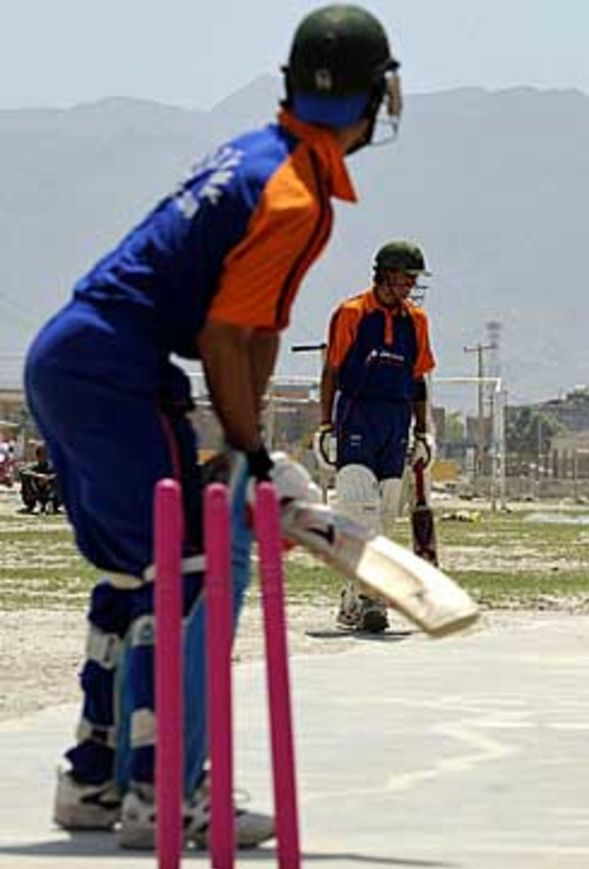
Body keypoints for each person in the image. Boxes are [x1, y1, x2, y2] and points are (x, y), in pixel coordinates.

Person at [23, 4, 402, 848]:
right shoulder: (294, 191)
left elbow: (253, 328)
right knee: (190, 568)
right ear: (372, 98)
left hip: (72, 357)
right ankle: (169, 793)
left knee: (134, 572)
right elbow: (227, 336)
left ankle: (92, 778)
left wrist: (246, 443)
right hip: (115, 367)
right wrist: (251, 452)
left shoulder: (261, 158)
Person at [318, 240, 436, 632]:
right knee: (359, 508)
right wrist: (325, 425)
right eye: (405, 277)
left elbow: (418, 379)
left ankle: (354, 598)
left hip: (397, 420)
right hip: (356, 416)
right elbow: (332, 370)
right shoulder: (351, 312)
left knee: (386, 513)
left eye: (414, 279)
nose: (410, 285)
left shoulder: (416, 320)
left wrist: (424, 431)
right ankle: (373, 599)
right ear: (385, 273)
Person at [19, 444, 61, 514]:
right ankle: (34, 504)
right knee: (28, 478)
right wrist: (39, 476)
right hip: (35, 493)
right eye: (42, 455)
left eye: (46, 455)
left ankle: (51, 504)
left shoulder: (53, 467)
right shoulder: (33, 467)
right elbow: (22, 471)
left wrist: (49, 478)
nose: (45, 457)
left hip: (50, 493)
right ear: (38, 456)